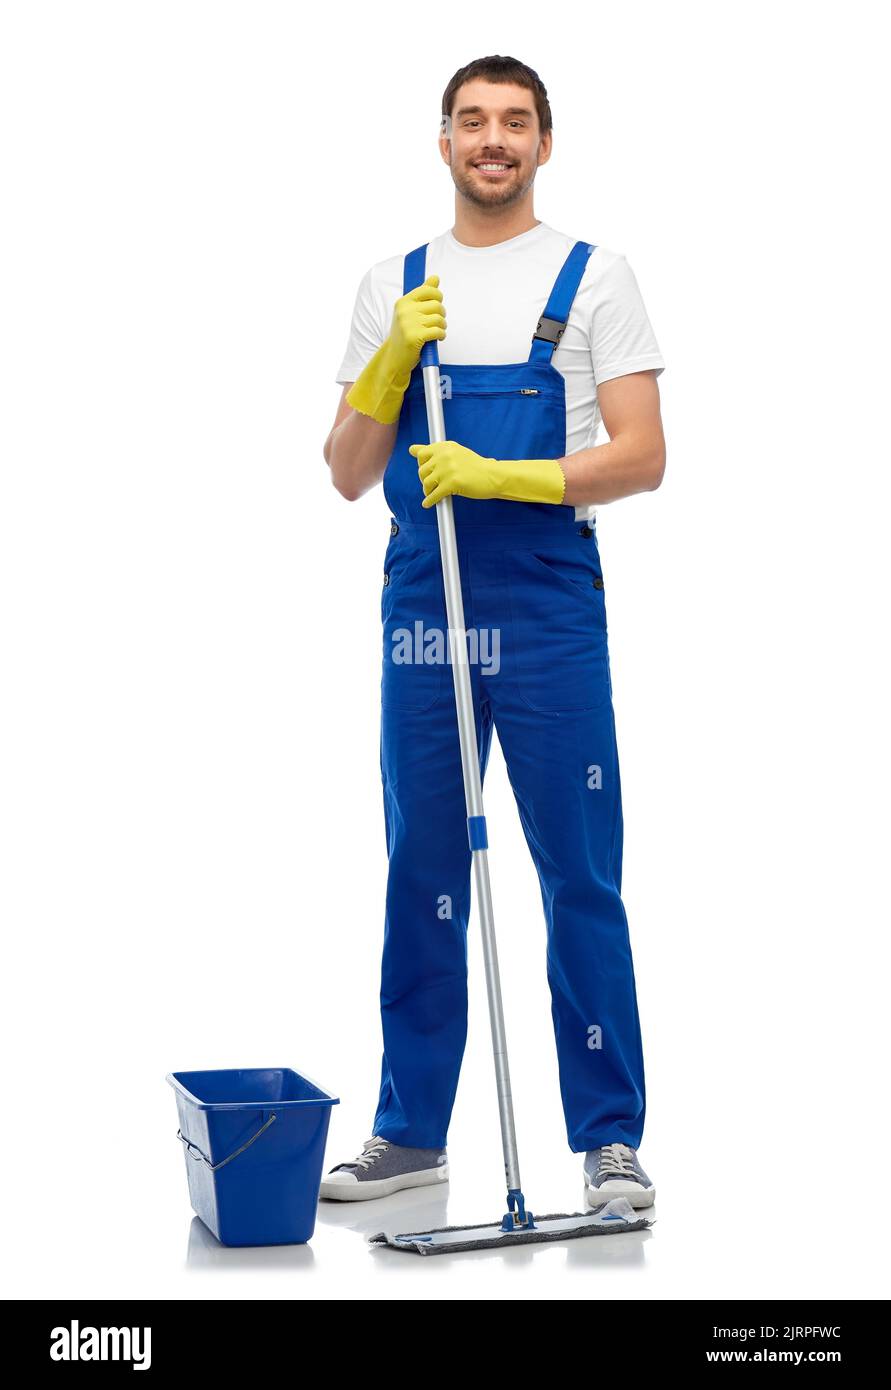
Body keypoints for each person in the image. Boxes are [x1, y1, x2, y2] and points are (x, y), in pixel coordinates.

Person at [321, 55, 666, 1210]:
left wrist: (498, 471)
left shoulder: (596, 276)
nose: (493, 140)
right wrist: (387, 358)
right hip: (430, 611)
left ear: (544, 143)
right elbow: (345, 472)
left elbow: (641, 454)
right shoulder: (394, 284)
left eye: (515, 122)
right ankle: (409, 1132)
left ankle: (610, 1140)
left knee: (578, 869)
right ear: (444, 142)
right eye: (472, 121)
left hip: (548, 612)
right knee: (424, 861)